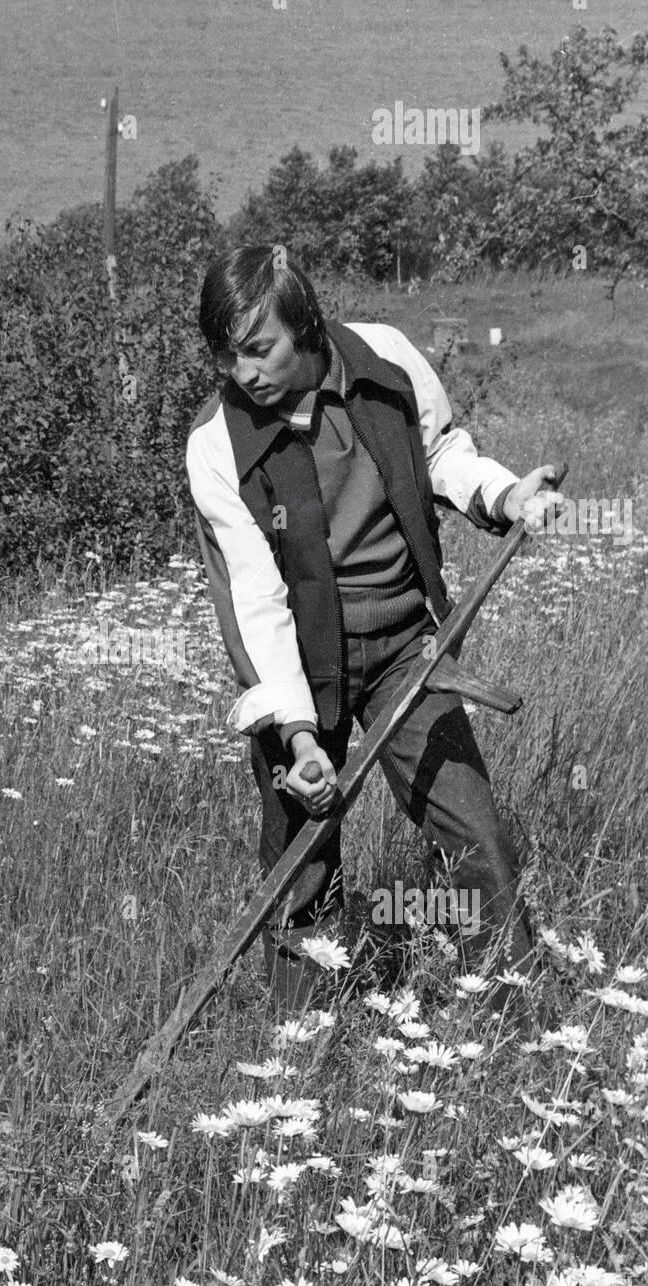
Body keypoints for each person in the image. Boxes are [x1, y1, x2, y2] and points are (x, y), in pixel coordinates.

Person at [185, 243, 564, 1013]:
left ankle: (512, 1014)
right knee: (302, 856)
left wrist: (502, 496)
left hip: (405, 650)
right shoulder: (215, 445)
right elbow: (253, 599)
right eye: (226, 356)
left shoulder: (384, 358)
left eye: (258, 349)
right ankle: (302, 1036)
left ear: (305, 324)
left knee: (473, 831)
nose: (241, 372)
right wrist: (294, 735)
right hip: (297, 660)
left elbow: (441, 451)